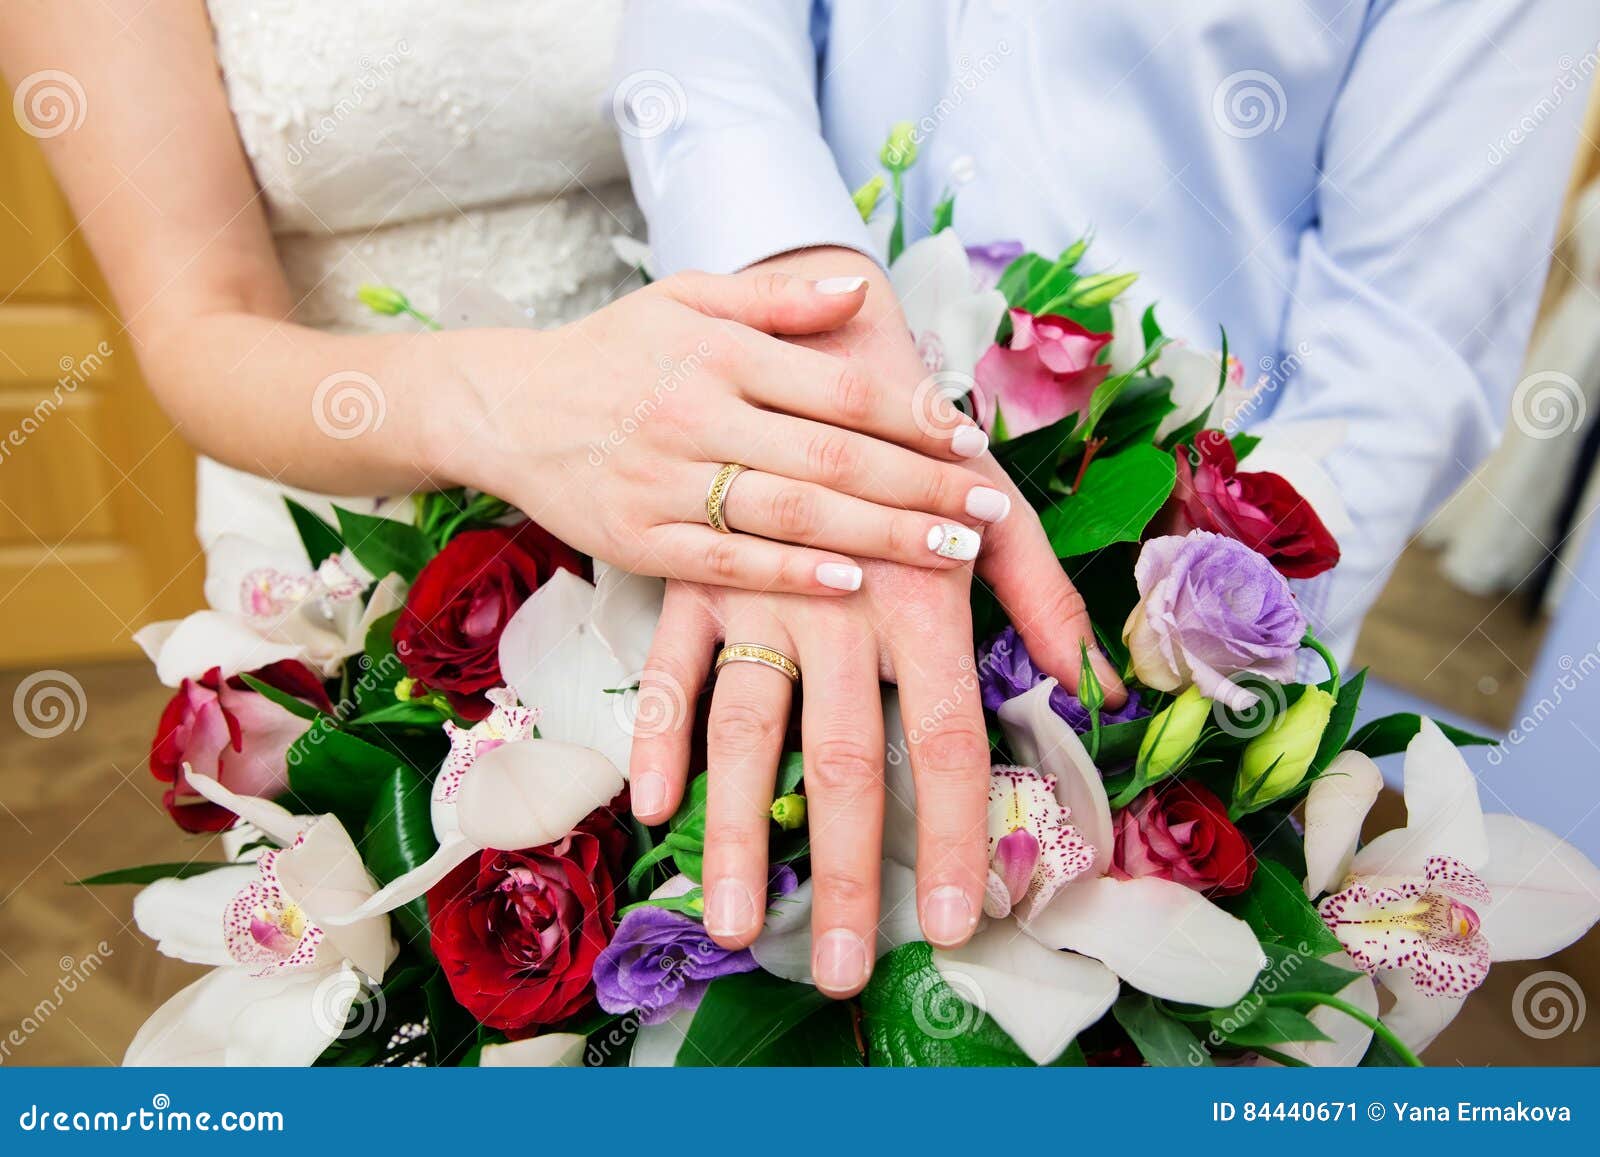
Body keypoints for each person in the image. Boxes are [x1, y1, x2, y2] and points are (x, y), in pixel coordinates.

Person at [0, 0, 1112, 980]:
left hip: (724, 464)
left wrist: (811, 404)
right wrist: (508, 408)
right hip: (384, 530)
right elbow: (198, 325)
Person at [616, 0, 1600, 995]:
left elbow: (1406, 350)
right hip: (732, 500)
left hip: (1127, 684)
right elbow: (716, 40)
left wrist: (1168, 703)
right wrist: (813, 344)